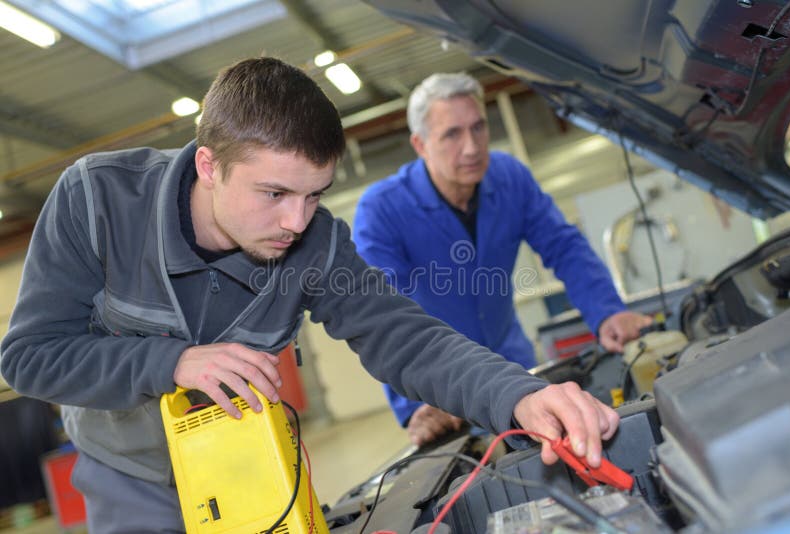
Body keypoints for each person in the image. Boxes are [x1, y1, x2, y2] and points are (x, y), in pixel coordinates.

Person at [1, 58, 619, 533]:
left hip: (258, 466)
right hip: (131, 480)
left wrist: (522, 395)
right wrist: (173, 363)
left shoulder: (317, 246)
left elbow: (403, 335)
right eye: (274, 194)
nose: (297, 222)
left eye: (315, 195)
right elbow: (29, 357)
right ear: (210, 166)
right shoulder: (97, 202)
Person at [352, 72, 651, 447]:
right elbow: (380, 313)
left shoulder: (510, 178)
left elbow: (563, 245)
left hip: (514, 364)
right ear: (420, 144)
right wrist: (412, 404)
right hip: (443, 390)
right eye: (452, 134)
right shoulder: (382, 210)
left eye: (478, 128)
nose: (472, 147)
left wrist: (608, 311)